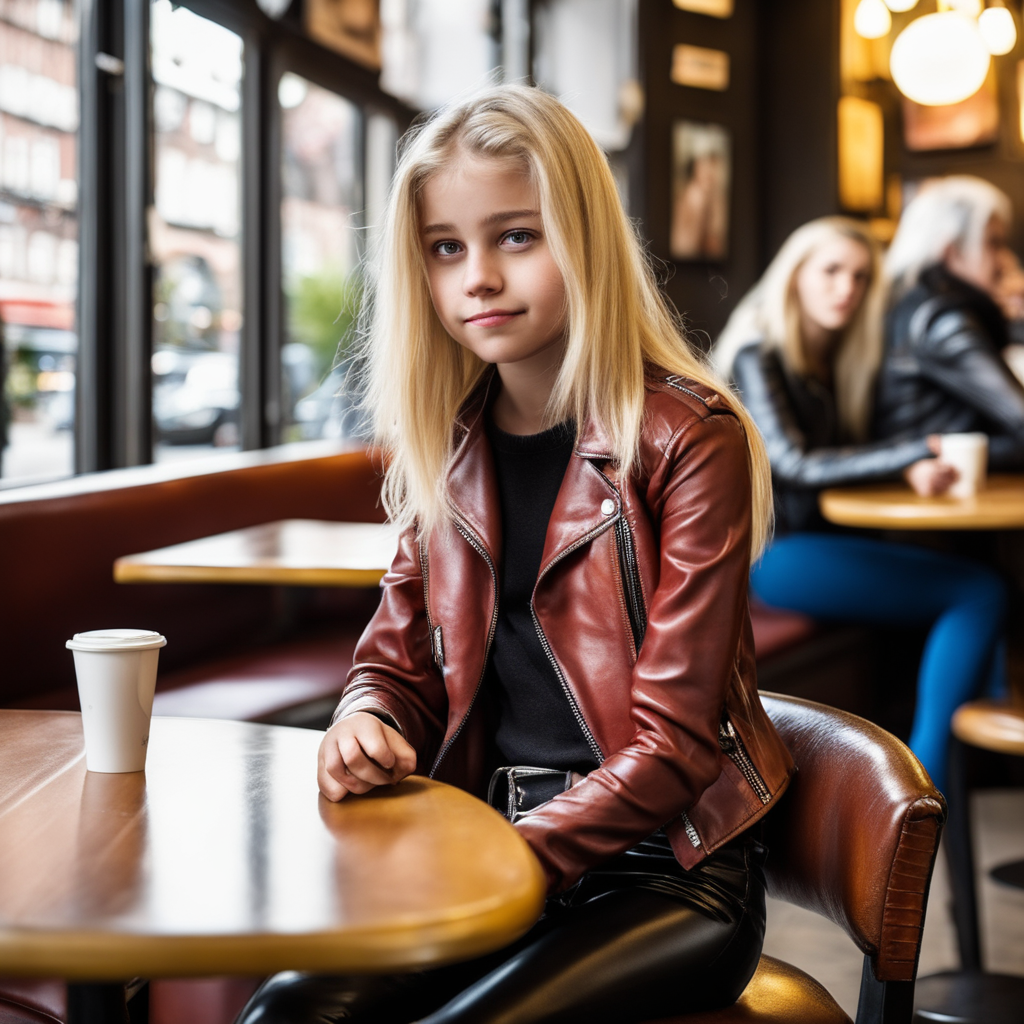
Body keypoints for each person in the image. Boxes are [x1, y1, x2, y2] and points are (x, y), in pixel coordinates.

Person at [235, 85, 794, 1024]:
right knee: (287, 1011)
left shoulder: (690, 437)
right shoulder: (448, 443)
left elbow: (674, 746)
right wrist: (364, 720)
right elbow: (396, 664)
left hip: (668, 874)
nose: (477, 279)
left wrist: (503, 860)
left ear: (585, 238)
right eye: (446, 247)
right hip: (488, 840)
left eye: (517, 237)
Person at [714, 216, 1007, 794]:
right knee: (980, 590)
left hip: (809, 549)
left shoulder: (831, 361)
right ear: (794, 276)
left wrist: (915, 466)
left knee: (978, 585)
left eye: (860, 276)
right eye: (830, 271)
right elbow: (793, 464)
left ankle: (968, 770)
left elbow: (840, 457)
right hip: (772, 559)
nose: (846, 288)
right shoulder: (757, 350)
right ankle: (927, 783)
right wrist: (910, 455)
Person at [874, 175, 1024, 461]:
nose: (1005, 260)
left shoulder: (916, 304)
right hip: (935, 494)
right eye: (994, 244)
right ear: (951, 250)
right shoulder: (941, 318)